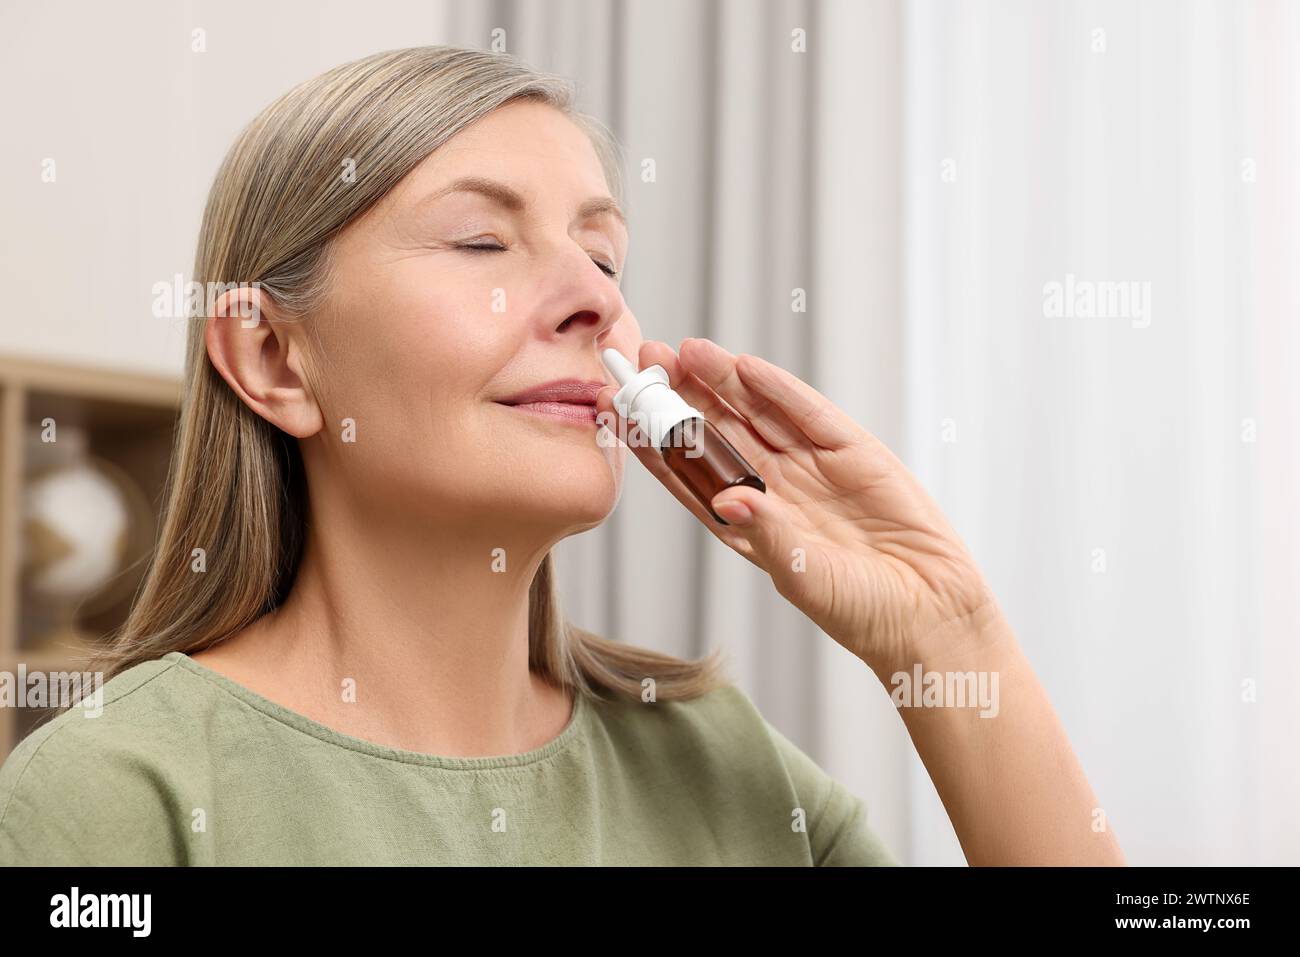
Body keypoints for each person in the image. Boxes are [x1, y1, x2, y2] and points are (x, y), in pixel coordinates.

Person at [0, 45, 1122, 866]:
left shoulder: (722, 767)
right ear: (274, 356)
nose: (595, 299)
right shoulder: (117, 795)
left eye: (605, 256)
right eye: (483, 240)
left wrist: (946, 633)